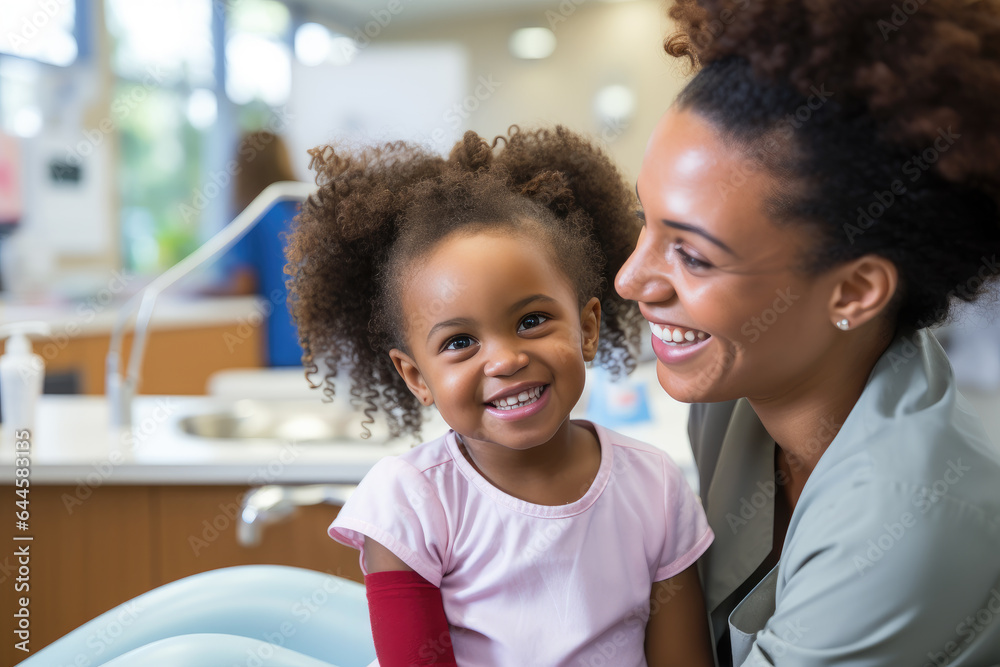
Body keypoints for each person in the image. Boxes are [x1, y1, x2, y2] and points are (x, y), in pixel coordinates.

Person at [614, 1, 1000, 665]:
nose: (631, 279)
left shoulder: (904, 519)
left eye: (694, 255)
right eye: (645, 221)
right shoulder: (736, 392)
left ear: (853, 291)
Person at [283, 127, 716, 666]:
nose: (506, 360)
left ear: (587, 328)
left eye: (532, 320)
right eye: (460, 342)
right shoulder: (409, 504)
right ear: (416, 376)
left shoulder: (656, 487)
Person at [214, 130, 304, 366]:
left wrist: (194, 293)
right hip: (317, 348)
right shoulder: (304, 208)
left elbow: (242, 285)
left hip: (275, 351)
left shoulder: (252, 214)